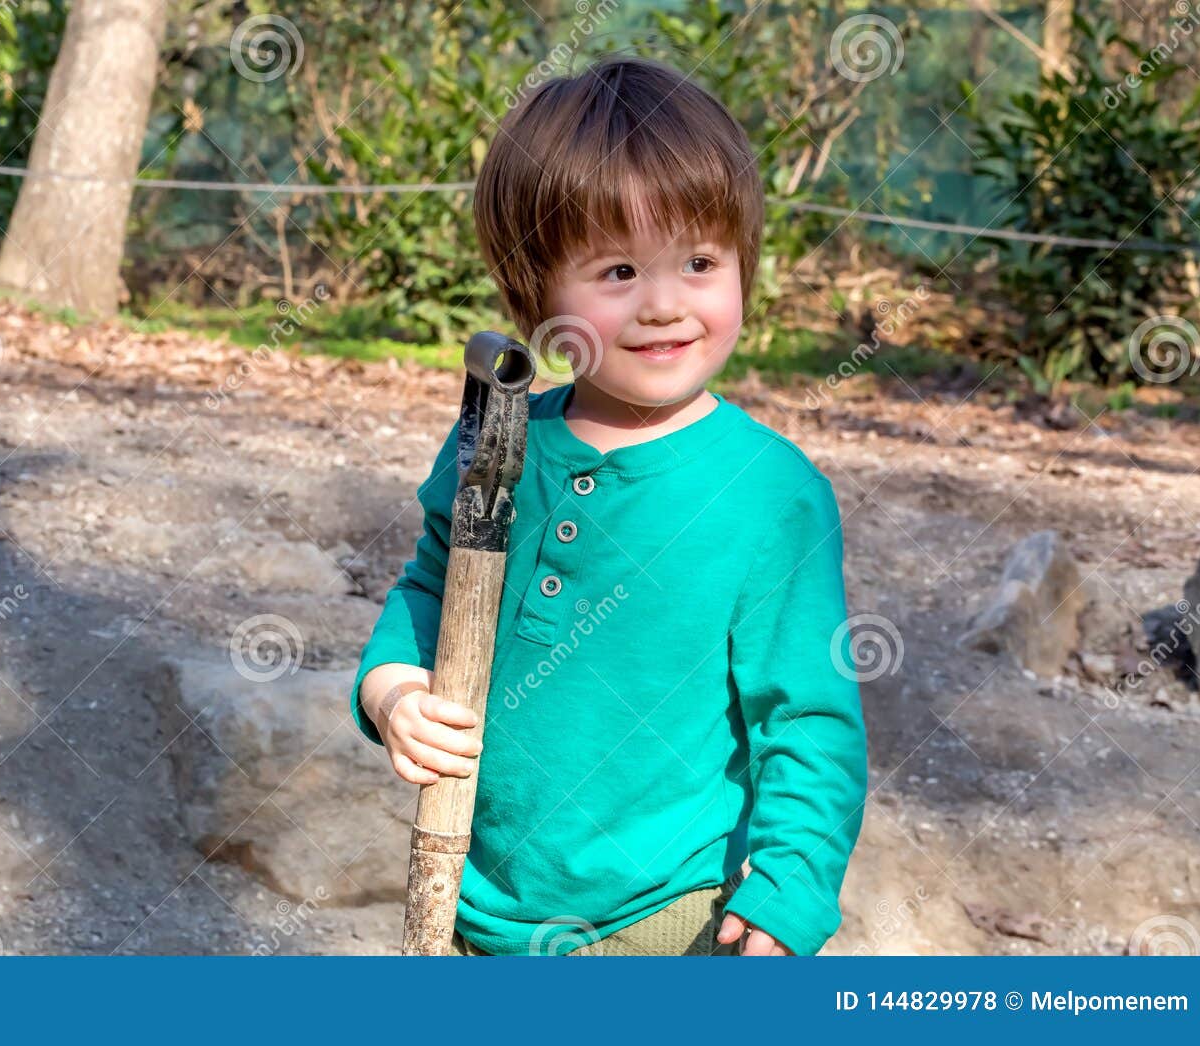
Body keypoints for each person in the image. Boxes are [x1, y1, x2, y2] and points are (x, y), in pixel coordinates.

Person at [351, 54, 868, 957]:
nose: (665, 305)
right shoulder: (499, 441)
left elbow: (809, 717)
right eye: (619, 270)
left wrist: (790, 887)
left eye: (701, 261)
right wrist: (393, 691)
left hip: (664, 917)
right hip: (471, 888)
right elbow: (429, 586)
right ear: (536, 290)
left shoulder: (770, 495)